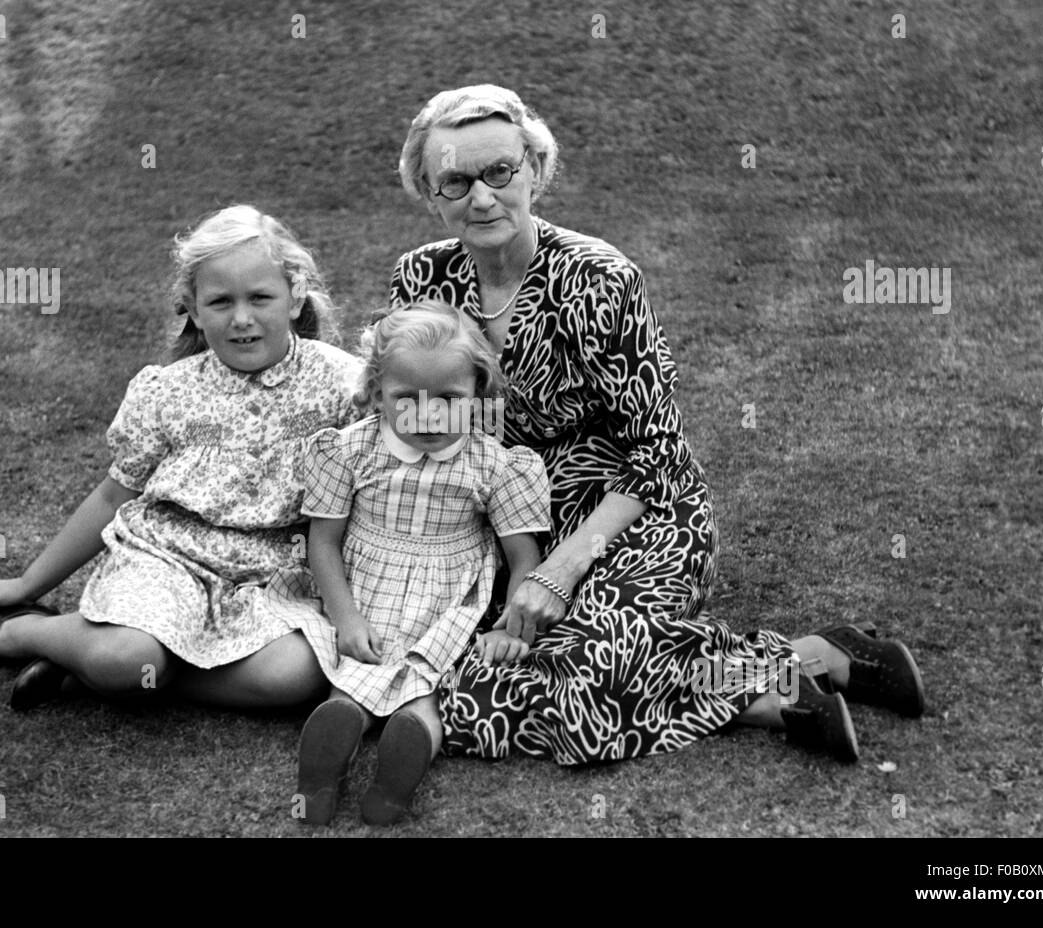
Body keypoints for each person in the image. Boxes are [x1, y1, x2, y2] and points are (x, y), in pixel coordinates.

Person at [389, 84, 926, 766]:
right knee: (454, 665)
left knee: (583, 668)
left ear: (535, 169)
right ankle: (787, 680)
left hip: (634, 511)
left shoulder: (600, 278)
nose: (483, 197)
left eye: (500, 171)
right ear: (430, 193)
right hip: (503, 519)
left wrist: (560, 570)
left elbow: (653, 451)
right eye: (456, 181)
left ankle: (808, 661)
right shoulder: (419, 280)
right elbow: (405, 409)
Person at [0, 204, 362, 712]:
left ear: (295, 294)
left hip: (274, 576)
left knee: (295, 677)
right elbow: (113, 494)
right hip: (168, 562)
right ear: (193, 309)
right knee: (127, 660)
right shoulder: (167, 392)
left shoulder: (344, 384)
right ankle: (21, 632)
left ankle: (94, 676)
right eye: (220, 302)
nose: (242, 319)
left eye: (260, 297)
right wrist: (28, 582)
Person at [286, 299, 550, 825]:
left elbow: (524, 556)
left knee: (430, 687)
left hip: (450, 595)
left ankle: (396, 778)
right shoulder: (348, 451)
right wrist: (345, 617)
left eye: (449, 398)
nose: (428, 416)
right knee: (356, 672)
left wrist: (513, 629)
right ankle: (321, 771)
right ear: (377, 392)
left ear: (479, 391)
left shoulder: (496, 465)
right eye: (407, 398)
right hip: (367, 586)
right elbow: (323, 543)